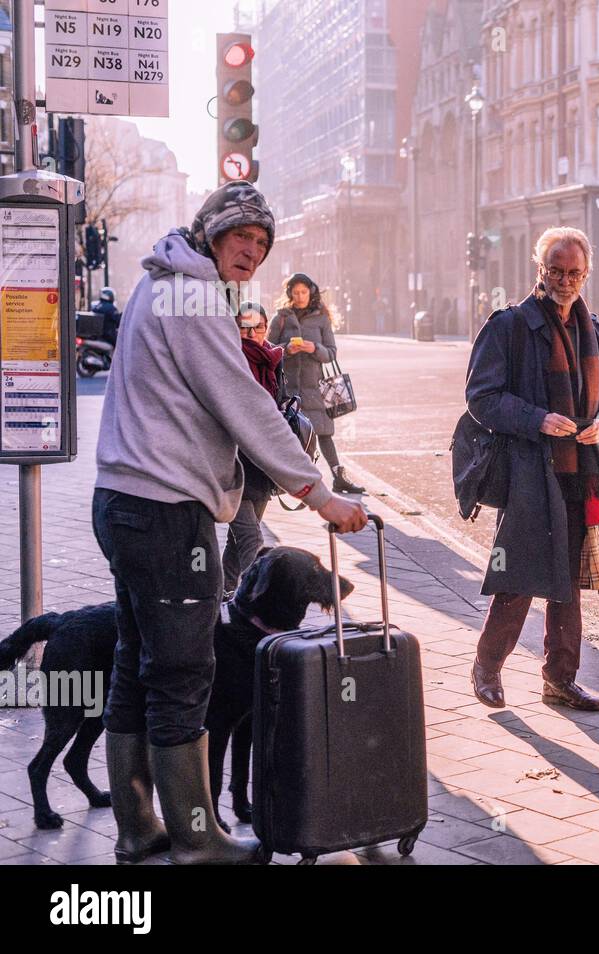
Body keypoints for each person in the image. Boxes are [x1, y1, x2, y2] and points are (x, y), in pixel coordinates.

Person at [92, 180, 368, 865]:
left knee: (138, 665)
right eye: (240, 237)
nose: (251, 251)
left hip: (123, 501)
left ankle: (137, 827)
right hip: (163, 510)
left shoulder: (161, 284)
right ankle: (194, 838)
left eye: (261, 243)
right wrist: (319, 494)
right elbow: (242, 403)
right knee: (185, 671)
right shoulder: (191, 296)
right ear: (211, 233)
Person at [466, 226, 599, 712]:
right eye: (555, 271)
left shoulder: (592, 329)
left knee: (569, 584)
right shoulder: (510, 326)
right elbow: (481, 398)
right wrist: (538, 420)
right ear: (540, 269)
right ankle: (487, 667)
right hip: (529, 472)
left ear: (586, 273)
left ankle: (560, 679)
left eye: (574, 272)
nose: (565, 280)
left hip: (583, 470)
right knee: (518, 578)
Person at [269, 272, 365, 494]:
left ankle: (338, 477)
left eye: (304, 292)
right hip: (290, 388)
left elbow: (331, 353)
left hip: (316, 388)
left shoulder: (321, 318)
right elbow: (269, 350)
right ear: (290, 294)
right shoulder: (280, 318)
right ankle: (291, 482)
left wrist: (314, 349)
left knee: (324, 435)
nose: (300, 296)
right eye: (296, 292)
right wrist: (287, 349)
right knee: (293, 435)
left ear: (310, 292)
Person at [219, 301, 284, 597]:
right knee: (250, 540)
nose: (251, 333)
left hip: (262, 466)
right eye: (244, 326)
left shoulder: (273, 359)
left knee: (239, 542)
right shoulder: (227, 360)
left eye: (258, 326)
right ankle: (260, 600)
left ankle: (221, 594)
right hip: (232, 465)